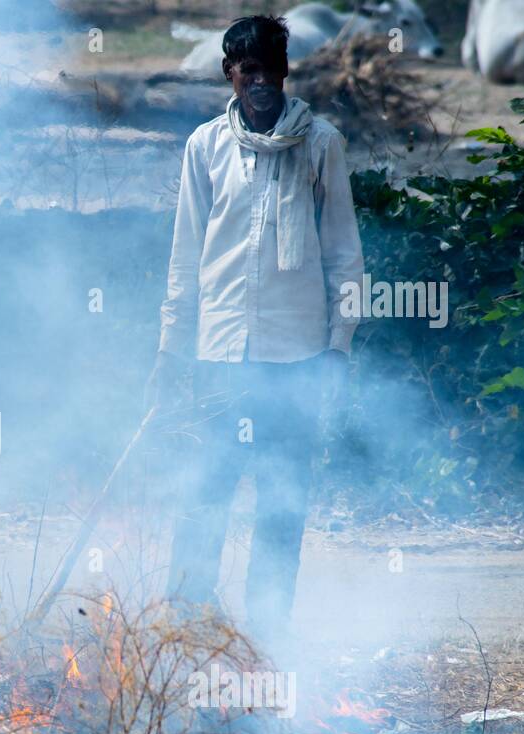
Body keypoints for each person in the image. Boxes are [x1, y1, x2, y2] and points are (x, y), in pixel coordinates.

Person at [144, 14, 364, 640]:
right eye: (249, 70)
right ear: (229, 75)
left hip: (296, 361)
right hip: (219, 358)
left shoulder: (320, 144)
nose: (261, 82)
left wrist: (337, 349)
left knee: (281, 507)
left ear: (286, 71)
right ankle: (185, 634)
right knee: (205, 498)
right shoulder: (205, 147)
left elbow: (345, 256)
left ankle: (266, 640)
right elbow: (185, 261)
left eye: (271, 68)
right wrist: (170, 351)